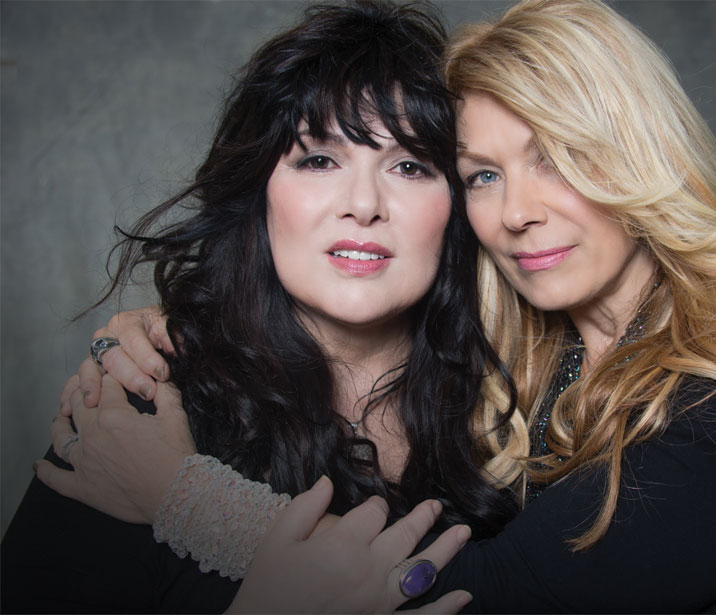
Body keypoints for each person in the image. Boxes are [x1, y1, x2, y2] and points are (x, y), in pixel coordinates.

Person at [37, 0, 716, 612]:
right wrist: (164, 332)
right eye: (484, 174)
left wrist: (185, 497)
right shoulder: (518, 377)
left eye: (559, 157)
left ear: (643, 157)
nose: (517, 211)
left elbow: (498, 597)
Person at [0, 1, 519, 612]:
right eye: (318, 160)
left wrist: (194, 504)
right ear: (259, 192)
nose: (363, 204)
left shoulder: (527, 403)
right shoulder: (144, 405)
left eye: (409, 166)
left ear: (458, 203)